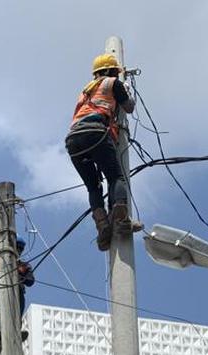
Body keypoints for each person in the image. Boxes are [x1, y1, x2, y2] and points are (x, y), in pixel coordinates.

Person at [65, 53, 138, 252]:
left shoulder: (86, 91)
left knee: (93, 187)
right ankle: (121, 220)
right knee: (116, 177)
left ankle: (103, 227)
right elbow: (129, 108)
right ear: (112, 71)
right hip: (95, 131)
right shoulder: (112, 83)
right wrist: (127, 91)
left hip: (73, 140)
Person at [0, 238, 35, 327]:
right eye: (17, 247)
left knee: (17, 313)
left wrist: (18, 274)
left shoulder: (24, 265)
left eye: (20, 249)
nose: (18, 251)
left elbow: (30, 281)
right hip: (0, 290)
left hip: (18, 292)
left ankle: (17, 330)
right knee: (0, 310)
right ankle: (0, 329)